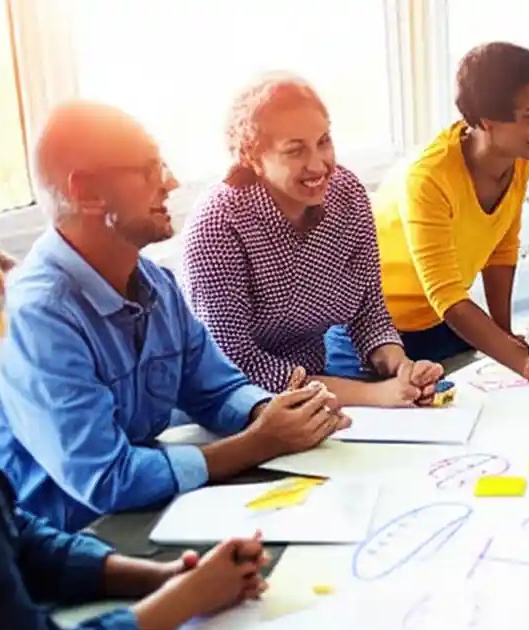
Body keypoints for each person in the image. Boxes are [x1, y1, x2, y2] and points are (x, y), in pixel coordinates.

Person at [0, 179, 272, 630]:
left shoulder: (156, 284)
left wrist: (158, 577)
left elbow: (10, 532)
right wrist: (185, 601)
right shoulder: (40, 306)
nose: (7, 274)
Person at [0, 101, 346, 532]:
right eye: (147, 171)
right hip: (64, 546)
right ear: (86, 193)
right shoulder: (37, 316)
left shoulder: (154, 282)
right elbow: (106, 479)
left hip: (149, 516)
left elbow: (215, 387)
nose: (170, 182)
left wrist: (275, 412)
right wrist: (258, 443)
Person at [182, 73, 443, 405]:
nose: (318, 164)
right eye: (295, 151)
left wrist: (401, 368)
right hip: (230, 405)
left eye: (323, 141)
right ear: (252, 157)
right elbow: (234, 363)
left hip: (319, 386)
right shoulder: (218, 225)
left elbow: (369, 308)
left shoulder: (347, 194)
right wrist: (373, 394)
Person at [371, 43, 529, 387]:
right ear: (486, 122)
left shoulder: (520, 157)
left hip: (441, 325)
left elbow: (501, 249)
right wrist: (522, 363)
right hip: (379, 333)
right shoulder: (428, 177)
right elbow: (448, 296)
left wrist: (505, 334)